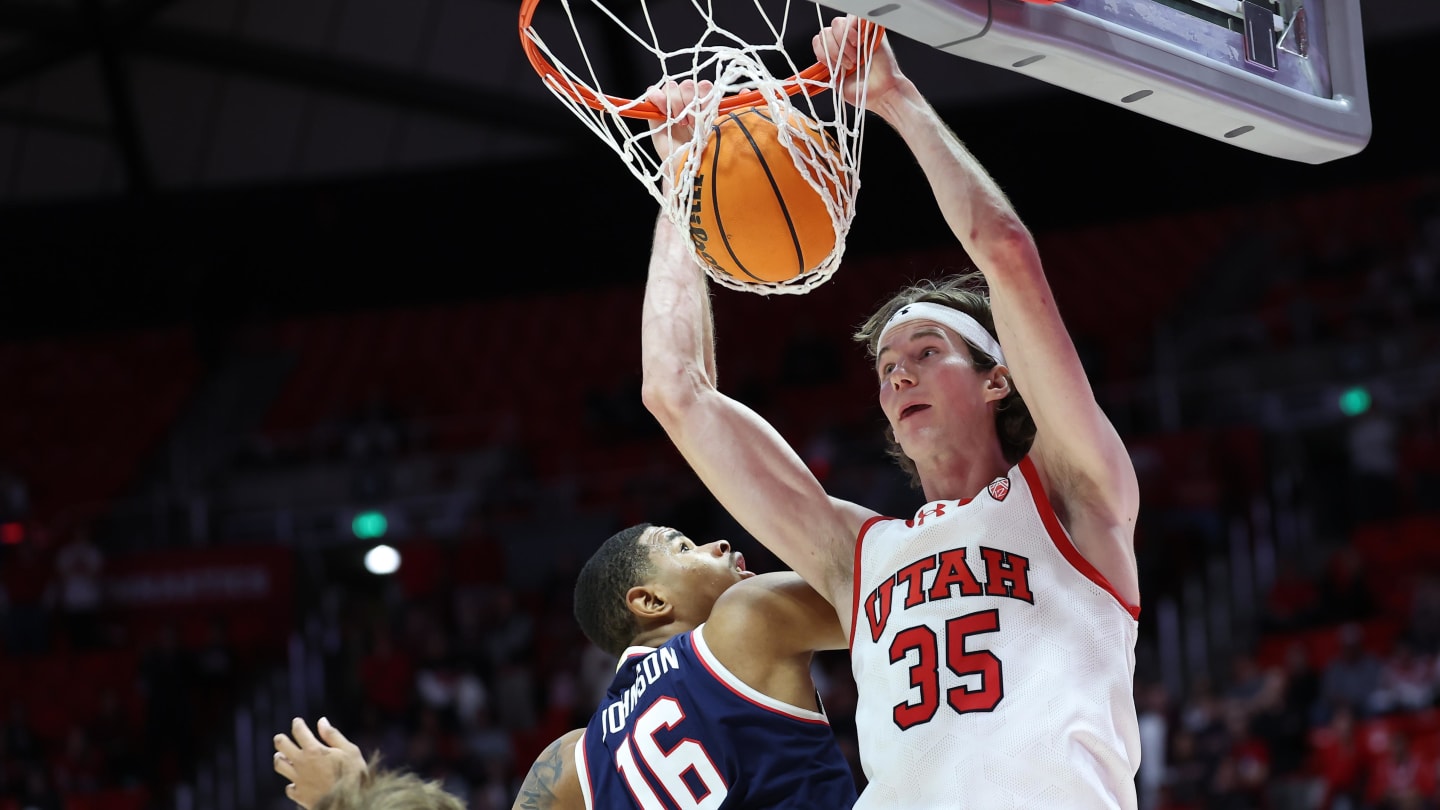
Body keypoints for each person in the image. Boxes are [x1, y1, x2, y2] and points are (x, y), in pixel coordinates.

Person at [639, 15, 1142, 809]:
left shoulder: (1073, 496)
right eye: (886, 367)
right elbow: (674, 391)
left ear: (998, 381)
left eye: (927, 350)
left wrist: (894, 97)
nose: (900, 372)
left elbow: (1006, 250)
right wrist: (681, 176)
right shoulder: (858, 553)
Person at [273, 523, 859, 810]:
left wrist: (357, 797)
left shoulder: (566, 764)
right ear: (650, 601)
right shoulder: (749, 616)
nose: (718, 546)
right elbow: (898, 599)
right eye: (683, 548)